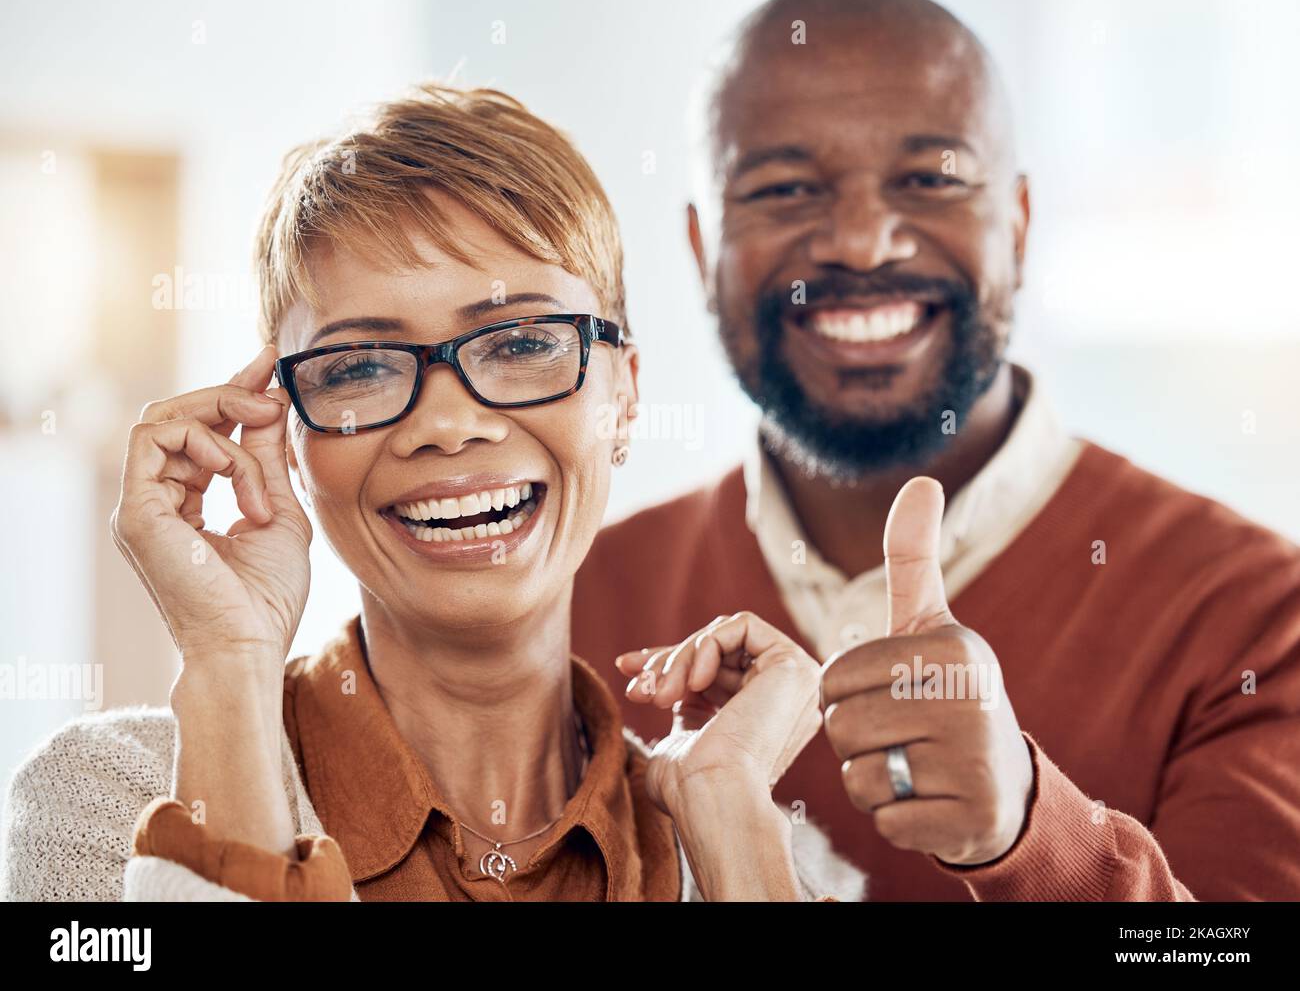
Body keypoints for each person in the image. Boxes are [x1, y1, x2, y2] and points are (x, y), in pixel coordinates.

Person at [1, 83, 865, 903]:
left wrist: (739, 846)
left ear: (625, 399)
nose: (448, 426)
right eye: (361, 366)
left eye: (523, 343)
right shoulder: (110, 807)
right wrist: (229, 664)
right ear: (288, 434)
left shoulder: (769, 849)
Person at [572, 0, 1300, 901]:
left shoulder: (1257, 616)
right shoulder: (574, 601)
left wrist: (1031, 833)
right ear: (699, 245)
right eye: (785, 187)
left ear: (1022, 225)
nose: (866, 243)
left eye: (931, 178)